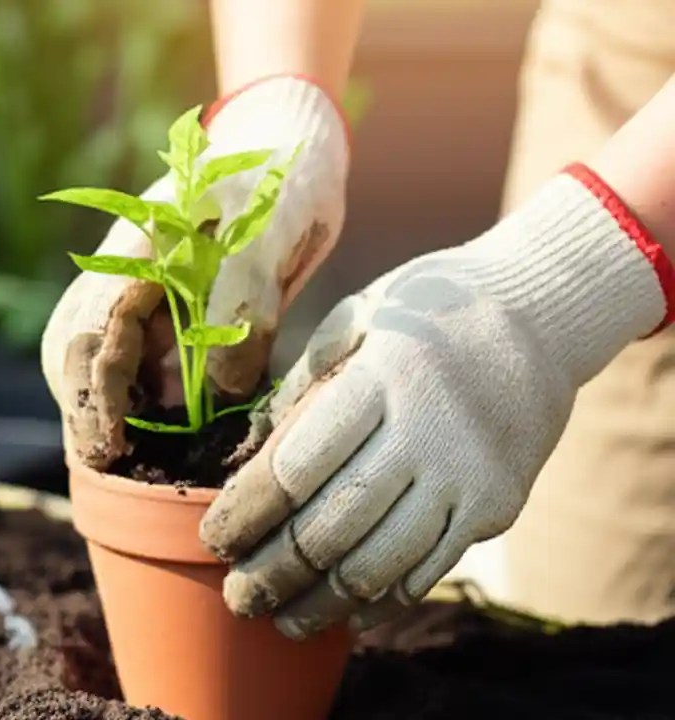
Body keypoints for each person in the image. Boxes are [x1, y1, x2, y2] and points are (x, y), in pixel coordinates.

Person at [40, 0, 675, 640]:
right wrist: (280, 99)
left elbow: (579, 273)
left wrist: (578, 268)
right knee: (592, 619)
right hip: (637, 51)